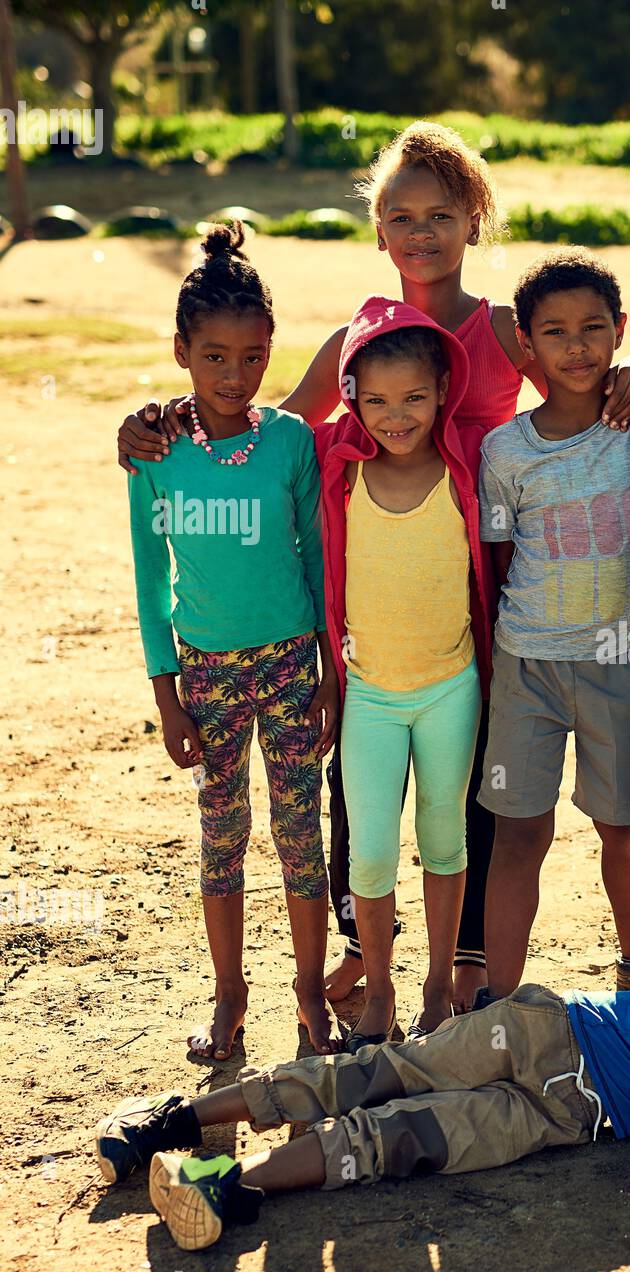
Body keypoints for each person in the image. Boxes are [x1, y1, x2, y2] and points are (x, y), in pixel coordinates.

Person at [113, 123, 630, 1015]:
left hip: (499, 582)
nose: (421, 232)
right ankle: (372, 954)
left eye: (442, 214)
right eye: (400, 215)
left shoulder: (508, 329)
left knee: (473, 782)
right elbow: (268, 435)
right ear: (377, 229)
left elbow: (580, 363)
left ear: (474, 219)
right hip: (383, 590)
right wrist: (167, 420)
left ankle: (467, 961)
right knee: (359, 786)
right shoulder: (355, 340)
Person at [94, 869, 630, 1252]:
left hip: (566, 1119)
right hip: (549, 1034)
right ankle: (173, 1121)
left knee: (401, 1142)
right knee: (376, 1074)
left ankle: (228, 1188)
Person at [125, 221, 337, 1060]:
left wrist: (330, 673)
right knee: (222, 833)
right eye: (214, 356)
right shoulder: (159, 452)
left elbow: (318, 560)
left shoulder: (291, 441)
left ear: (270, 350)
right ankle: (230, 995)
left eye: (251, 357)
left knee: (299, 833)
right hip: (206, 675)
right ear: (181, 351)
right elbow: (149, 579)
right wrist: (165, 693)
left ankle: (311, 994)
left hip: (291, 666)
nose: (234, 374)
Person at [477, 249, 630, 998]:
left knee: (625, 831)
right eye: (554, 332)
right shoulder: (504, 451)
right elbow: (494, 560)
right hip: (528, 664)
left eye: (594, 328)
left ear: (619, 331)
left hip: (619, 662)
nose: (577, 345)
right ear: (527, 345)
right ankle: (500, 993)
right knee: (519, 832)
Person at [313, 296, 495, 1045]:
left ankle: (435, 987)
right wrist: (173, 420)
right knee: (372, 849)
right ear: (352, 395)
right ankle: (380, 990)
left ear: (444, 391)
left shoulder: (470, 462)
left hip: (451, 687)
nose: (396, 416)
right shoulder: (334, 465)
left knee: (445, 838)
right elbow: (252, 437)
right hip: (372, 696)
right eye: (378, 400)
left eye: (415, 398)